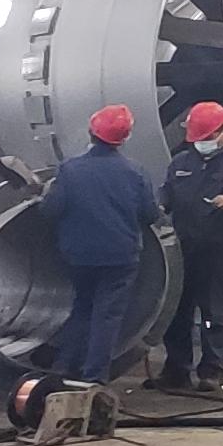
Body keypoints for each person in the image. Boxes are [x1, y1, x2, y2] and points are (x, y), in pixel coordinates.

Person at [41, 105, 163, 387]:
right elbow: (150, 215)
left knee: (81, 307)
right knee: (106, 316)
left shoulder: (70, 170)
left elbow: (50, 210)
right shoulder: (135, 172)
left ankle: (63, 366)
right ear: (125, 138)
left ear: (91, 132)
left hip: (79, 255)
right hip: (120, 257)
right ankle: (94, 376)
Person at [150, 101, 223, 397]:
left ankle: (212, 370)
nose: (203, 143)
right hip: (182, 250)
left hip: (216, 251)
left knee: (214, 312)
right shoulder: (182, 163)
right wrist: (160, 206)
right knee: (177, 313)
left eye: (208, 137)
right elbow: (168, 192)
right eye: (199, 138)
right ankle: (176, 370)